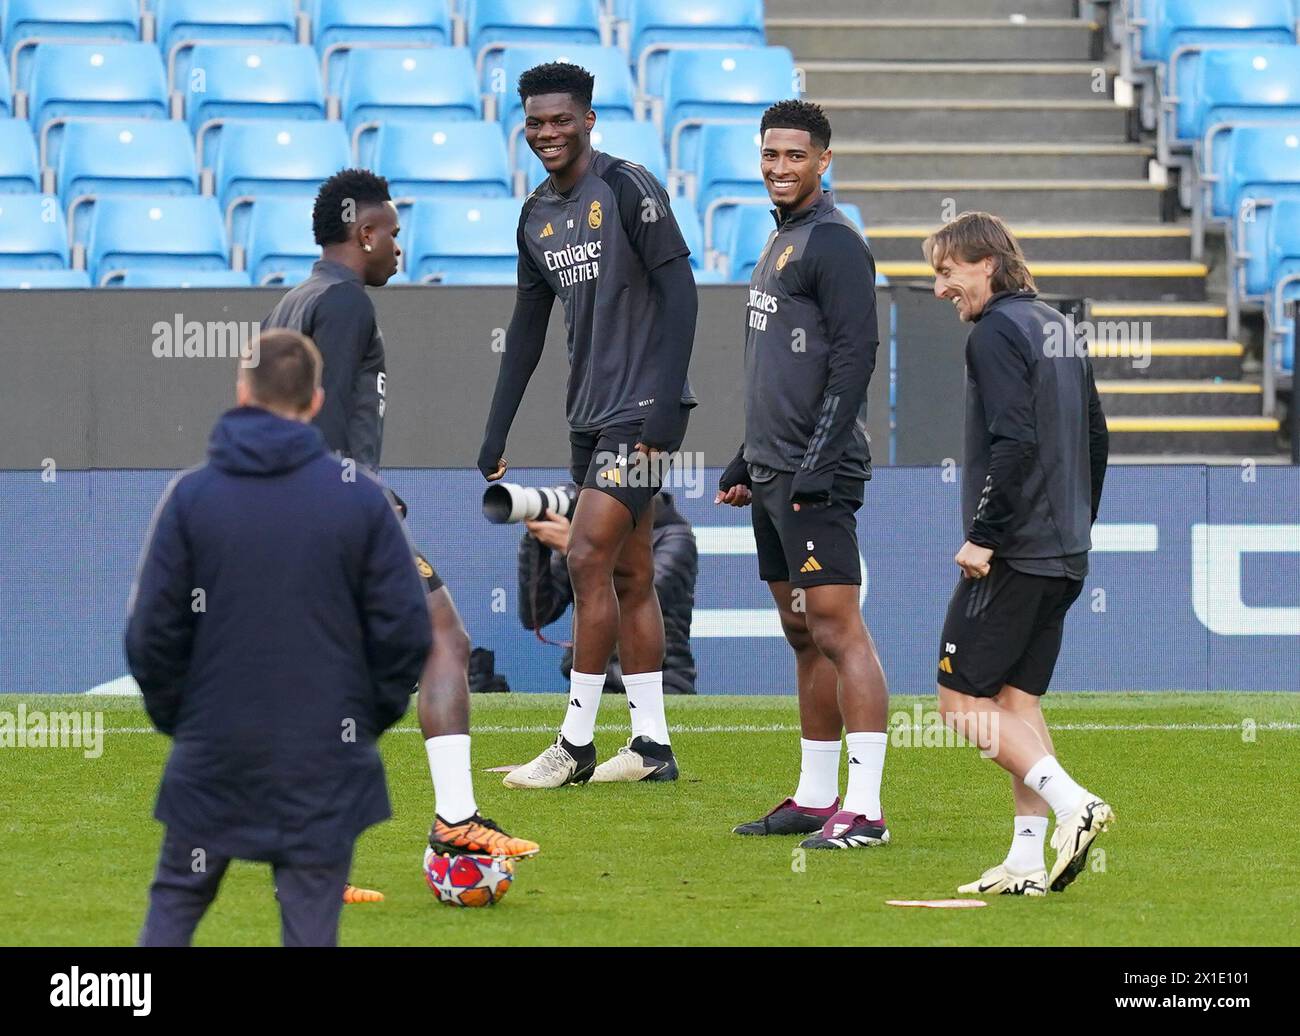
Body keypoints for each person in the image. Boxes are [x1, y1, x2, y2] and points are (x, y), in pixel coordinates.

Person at [264, 170, 537, 897]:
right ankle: (455, 819)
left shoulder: (298, 298)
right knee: (442, 640)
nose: (398, 248)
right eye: (391, 234)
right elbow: (317, 419)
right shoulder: (347, 301)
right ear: (364, 233)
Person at [128, 330, 431, 946]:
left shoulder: (191, 498)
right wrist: (361, 720)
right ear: (316, 401)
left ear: (242, 391)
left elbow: (150, 639)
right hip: (323, 756)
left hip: (214, 752)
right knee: (311, 915)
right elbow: (404, 633)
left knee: (177, 901)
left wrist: (186, 722)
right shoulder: (361, 500)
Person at [477, 62, 698, 787]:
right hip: (588, 419)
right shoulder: (536, 215)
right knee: (632, 574)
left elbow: (681, 291)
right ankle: (652, 747)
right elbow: (527, 329)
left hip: (642, 416)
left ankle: (573, 746)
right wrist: (496, 428)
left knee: (586, 559)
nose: (546, 133)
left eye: (560, 119)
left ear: (588, 120)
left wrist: (668, 406)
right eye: (535, 122)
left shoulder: (628, 186)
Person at [717, 100, 892, 851]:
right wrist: (746, 456)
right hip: (773, 468)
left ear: (825, 160)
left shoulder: (835, 245)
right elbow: (781, 370)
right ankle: (818, 795)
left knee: (838, 629)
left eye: (795, 155)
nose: (779, 167)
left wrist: (815, 462)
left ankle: (869, 810)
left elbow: (855, 360)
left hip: (817, 473)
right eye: (770, 154)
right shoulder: (781, 239)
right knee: (800, 631)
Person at [924, 211, 1113, 896]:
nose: (941, 288)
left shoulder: (996, 332)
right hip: (1064, 549)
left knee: (956, 702)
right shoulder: (1056, 323)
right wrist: (1076, 522)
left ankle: (1076, 805)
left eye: (947, 273)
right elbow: (1097, 437)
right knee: (1015, 701)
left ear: (986, 263)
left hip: (1016, 550)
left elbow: (1014, 441)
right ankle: (1028, 862)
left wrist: (987, 534)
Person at [519, 491, 698, 702]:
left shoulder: (674, 535)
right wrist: (535, 541)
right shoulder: (587, 536)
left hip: (661, 681)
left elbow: (635, 599)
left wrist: (578, 550)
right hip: (596, 678)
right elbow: (537, 615)